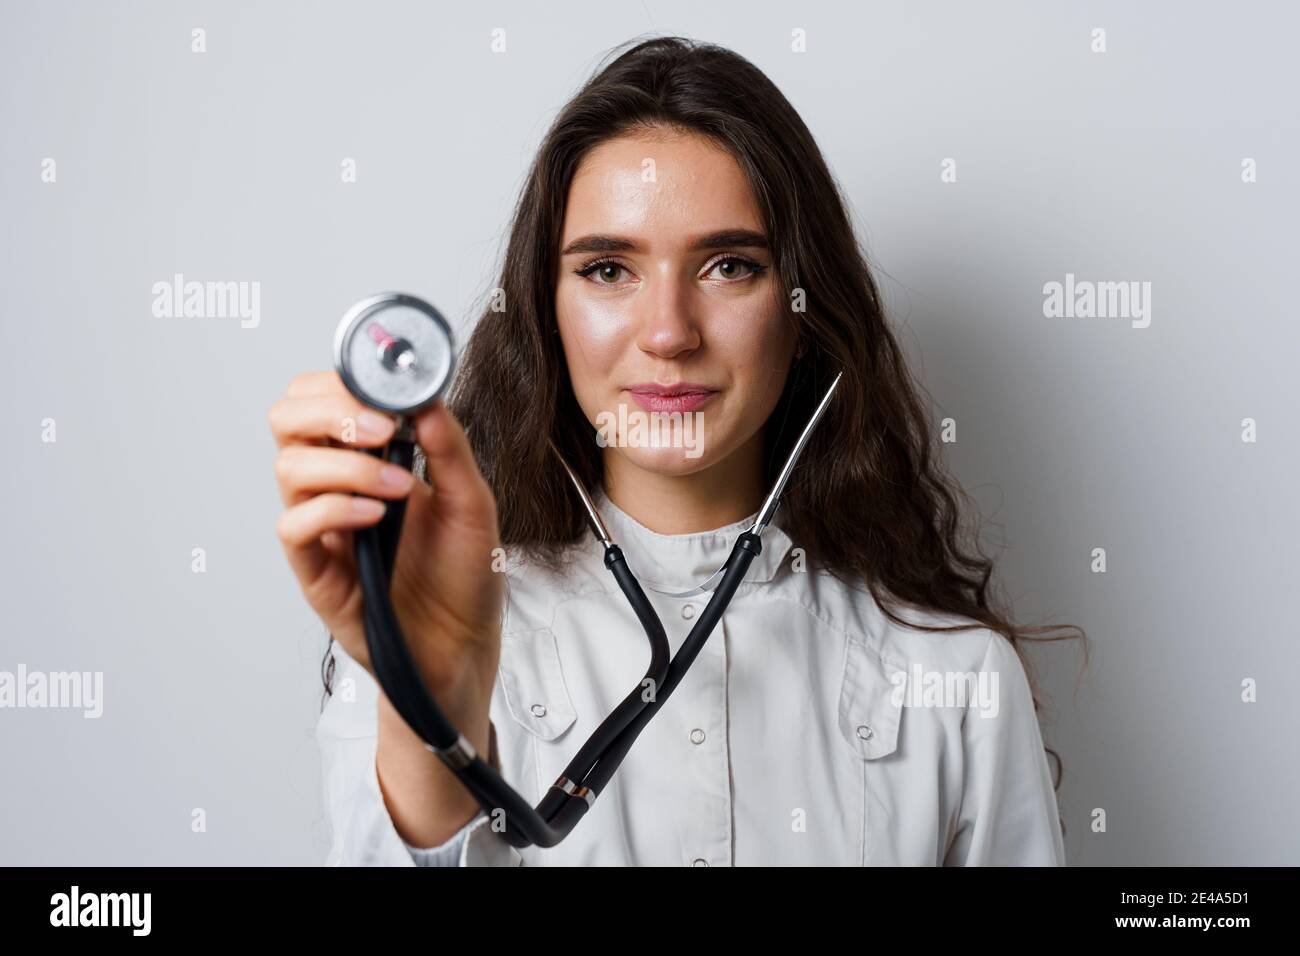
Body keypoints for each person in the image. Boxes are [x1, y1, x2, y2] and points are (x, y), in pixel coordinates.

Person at [268, 36, 1081, 866]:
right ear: (546, 313)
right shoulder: (423, 624)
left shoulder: (957, 677)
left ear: (803, 312)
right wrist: (429, 705)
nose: (668, 332)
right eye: (609, 269)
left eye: (730, 266)